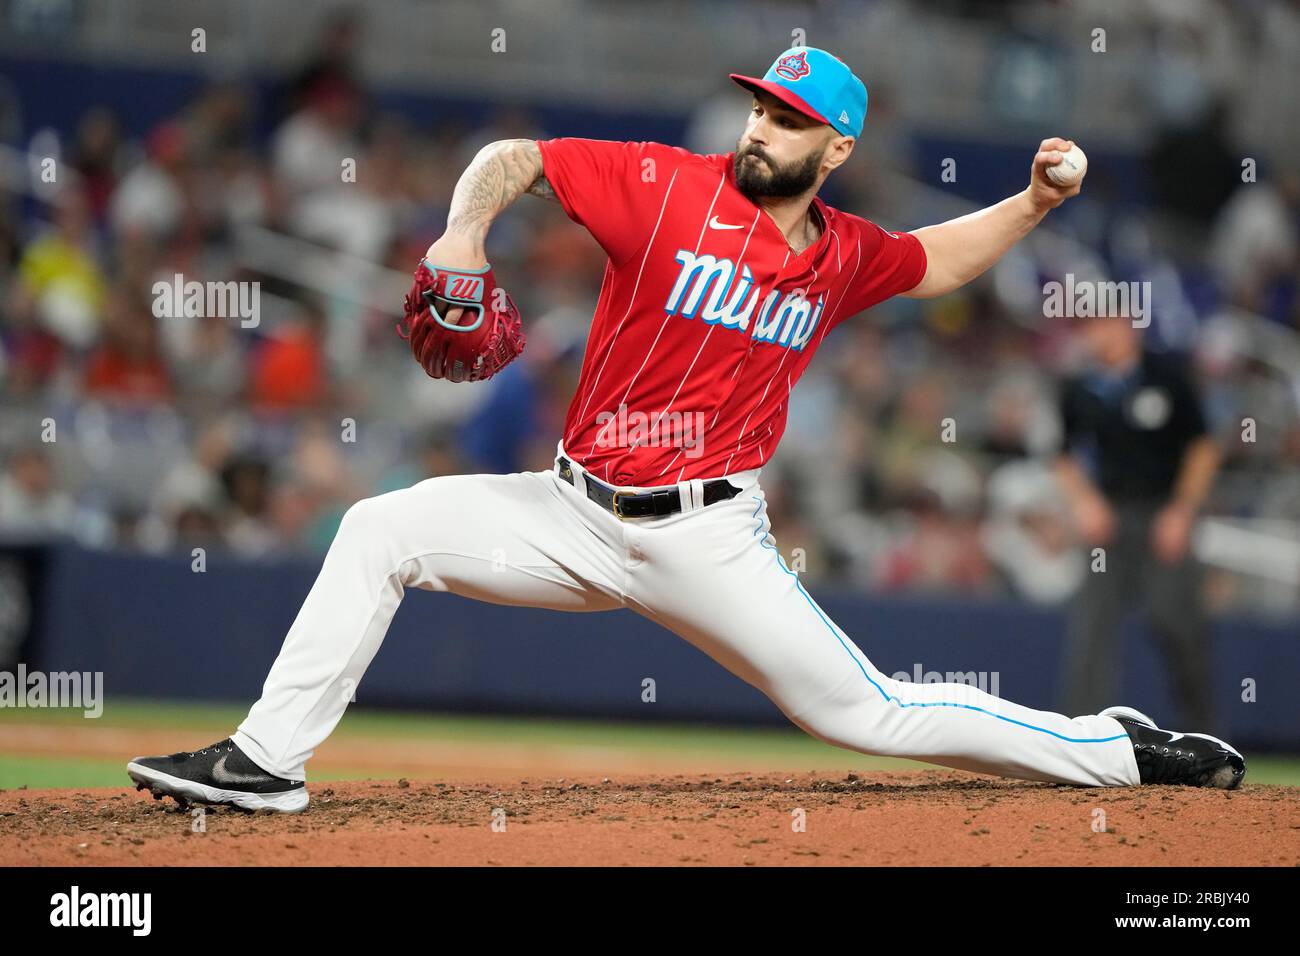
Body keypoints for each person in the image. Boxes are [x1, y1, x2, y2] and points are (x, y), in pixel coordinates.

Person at [128, 47, 1245, 813]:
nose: (763, 125)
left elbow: (940, 257)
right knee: (379, 528)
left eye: (790, 119)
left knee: (868, 713)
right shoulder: (662, 186)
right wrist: (464, 234)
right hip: (566, 509)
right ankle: (266, 762)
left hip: (707, 539)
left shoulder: (843, 251)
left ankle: (1112, 746)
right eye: (761, 105)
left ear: (836, 150)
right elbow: (515, 157)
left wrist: (1038, 205)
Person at [1055, 313, 1222, 733]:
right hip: (1109, 518)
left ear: (1130, 326)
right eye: (1090, 326)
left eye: (1105, 324)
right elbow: (1061, 454)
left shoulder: (1167, 377)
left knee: (1178, 623)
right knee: (1092, 627)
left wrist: (1182, 511)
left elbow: (1202, 448)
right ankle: (1080, 735)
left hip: (1163, 513)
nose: (1097, 334)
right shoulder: (1080, 386)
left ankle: (1205, 736)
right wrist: (1085, 502)